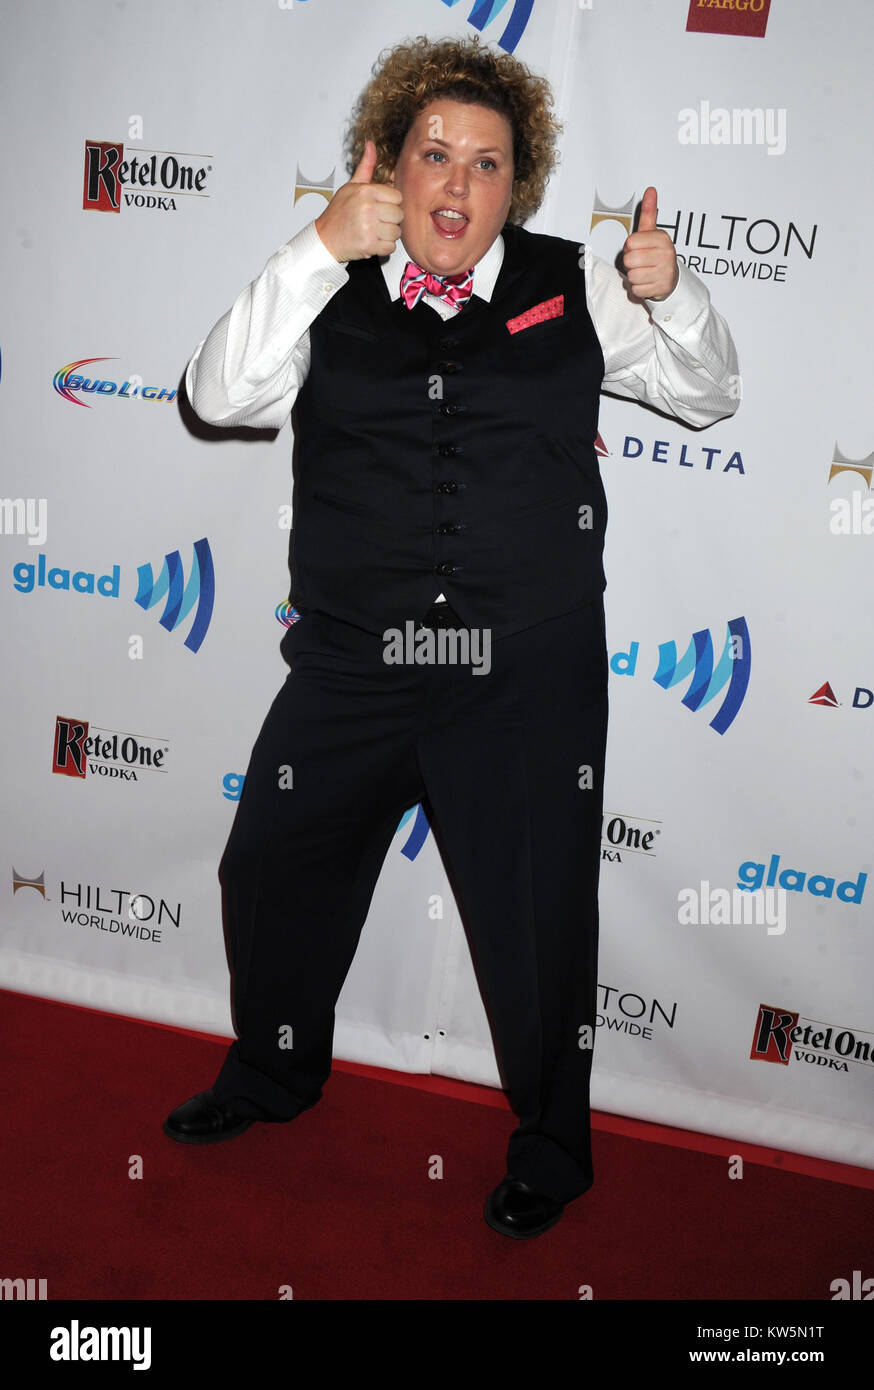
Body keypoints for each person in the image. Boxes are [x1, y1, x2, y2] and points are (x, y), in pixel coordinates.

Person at [165, 35, 739, 1239]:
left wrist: (670, 291)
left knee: (536, 918)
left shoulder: (571, 281)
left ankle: (551, 1146)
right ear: (389, 163)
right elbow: (219, 395)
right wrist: (321, 241)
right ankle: (271, 1074)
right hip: (351, 660)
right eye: (435, 153)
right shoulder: (326, 277)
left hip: (523, 670)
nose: (457, 183)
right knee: (271, 867)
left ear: (512, 187)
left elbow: (707, 394)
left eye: (487, 163)